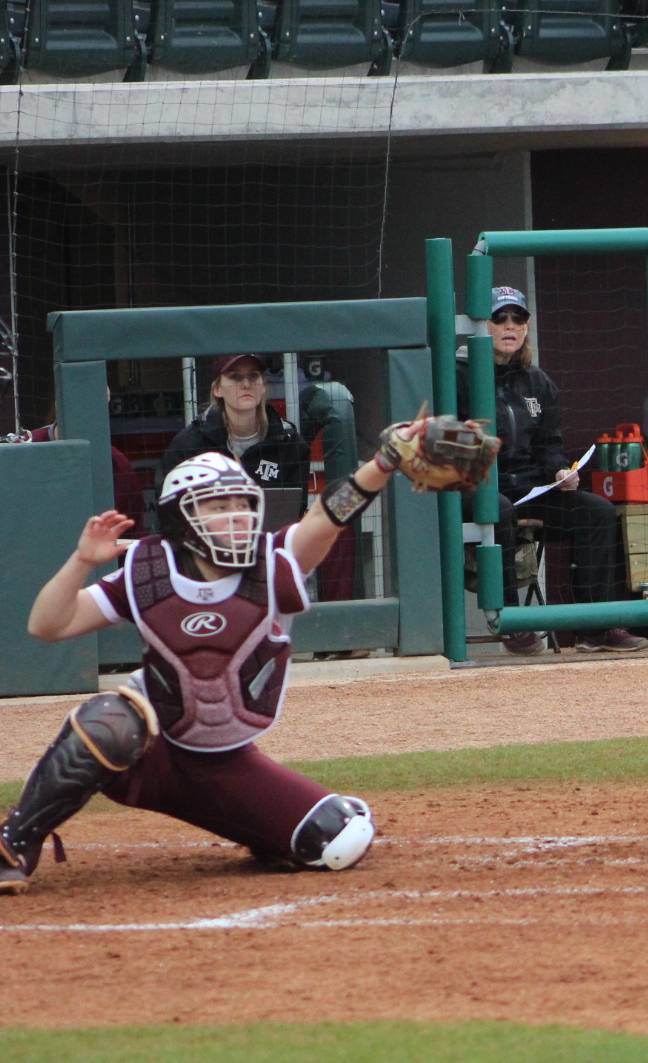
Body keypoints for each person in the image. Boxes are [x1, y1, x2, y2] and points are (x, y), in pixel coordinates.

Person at [0, 422, 431, 890]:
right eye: (218, 506)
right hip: (149, 755)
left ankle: (265, 830)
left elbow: (331, 514)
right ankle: (15, 842)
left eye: (243, 504)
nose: (238, 516)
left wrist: (383, 463)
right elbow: (46, 625)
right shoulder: (148, 570)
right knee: (110, 720)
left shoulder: (275, 562)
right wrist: (82, 561)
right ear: (182, 518)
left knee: (340, 839)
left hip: (225, 764)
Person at [459, 287, 644, 654]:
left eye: (518, 318)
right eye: (500, 318)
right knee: (499, 508)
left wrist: (561, 471)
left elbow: (549, 446)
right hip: (472, 490)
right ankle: (508, 620)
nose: (510, 326)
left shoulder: (537, 381)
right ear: (483, 326)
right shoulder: (457, 374)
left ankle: (597, 626)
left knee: (598, 513)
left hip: (531, 490)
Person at [161, 353, 309, 495]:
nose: (246, 384)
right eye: (235, 377)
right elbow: (171, 508)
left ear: (263, 385)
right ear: (217, 389)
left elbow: (294, 510)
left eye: (253, 375)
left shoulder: (289, 443)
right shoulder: (190, 444)